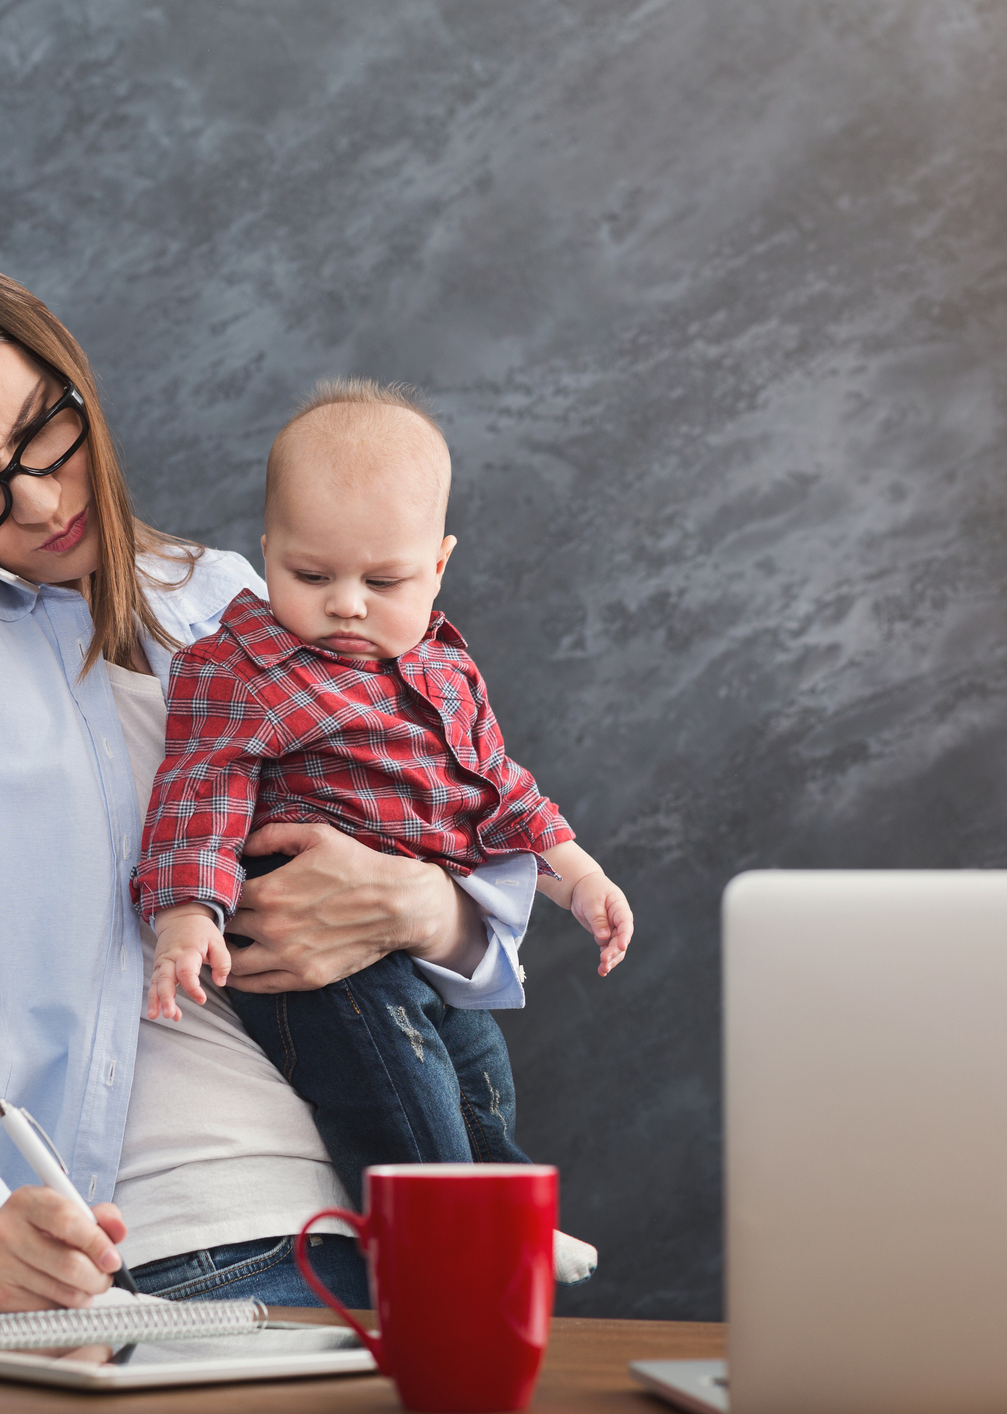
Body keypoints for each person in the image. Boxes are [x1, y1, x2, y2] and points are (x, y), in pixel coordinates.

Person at [0, 235, 547, 1314]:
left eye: (42, 435)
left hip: (382, 1203)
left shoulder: (226, 593)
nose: (34, 504)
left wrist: (425, 906)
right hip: (173, 1243)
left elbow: (445, 835)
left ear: (68, 371)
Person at [130, 381, 627, 1281]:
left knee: (476, 1071)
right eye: (310, 576)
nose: (346, 605)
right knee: (398, 1091)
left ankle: (503, 1211)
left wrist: (577, 876)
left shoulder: (441, 667)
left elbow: (496, 791)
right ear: (267, 552)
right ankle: (434, 1234)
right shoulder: (236, 668)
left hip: (414, 946)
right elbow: (196, 794)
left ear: (436, 565)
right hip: (313, 967)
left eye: (383, 580)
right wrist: (185, 915)